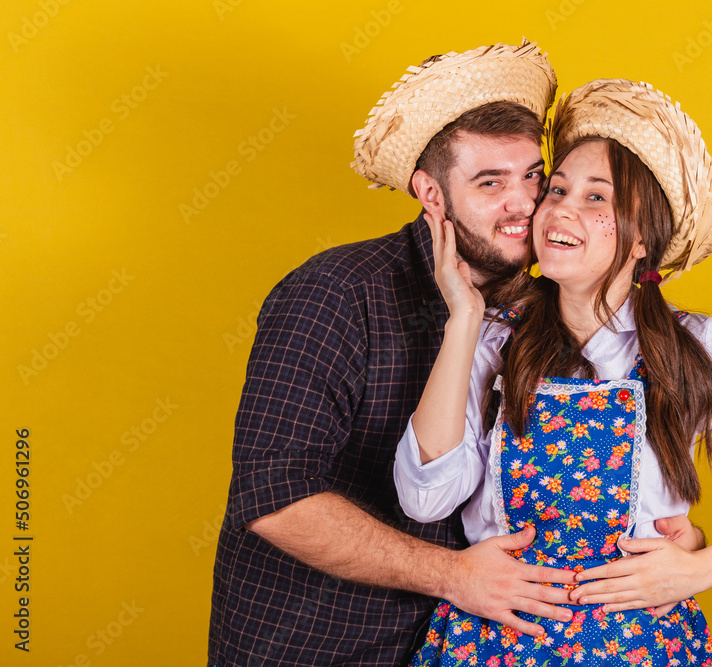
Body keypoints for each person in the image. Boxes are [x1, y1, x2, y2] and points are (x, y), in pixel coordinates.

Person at [394, 79, 712, 665]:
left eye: (597, 198)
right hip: (495, 643)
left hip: (636, 647)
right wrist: (463, 319)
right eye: (557, 188)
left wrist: (700, 568)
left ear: (642, 237)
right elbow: (426, 498)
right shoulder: (492, 338)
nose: (561, 207)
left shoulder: (691, 348)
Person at [208, 41, 579, 667]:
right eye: (491, 183)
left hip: (471, 645)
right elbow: (273, 499)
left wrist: (677, 537)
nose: (523, 206)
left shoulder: (554, 305)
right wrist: (455, 575)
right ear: (430, 193)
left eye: (533, 177)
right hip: (317, 644)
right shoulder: (335, 294)